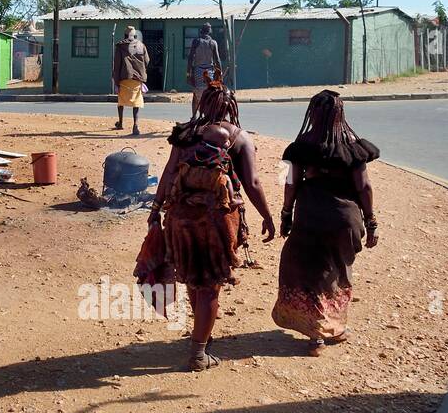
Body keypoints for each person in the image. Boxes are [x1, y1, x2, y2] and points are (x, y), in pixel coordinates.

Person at [148, 77, 275, 371]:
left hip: (180, 217)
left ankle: (201, 337)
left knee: (194, 278)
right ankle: (198, 353)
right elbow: (252, 183)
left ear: (201, 104)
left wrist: (155, 209)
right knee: (210, 287)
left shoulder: (184, 134)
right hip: (216, 222)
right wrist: (267, 216)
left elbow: (168, 174)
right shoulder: (239, 137)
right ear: (231, 106)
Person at [272, 91, 379, 356]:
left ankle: (316, 337)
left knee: (310, 273)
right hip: (345, 220)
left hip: (310, 217)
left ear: (313, 113)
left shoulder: (304, 144)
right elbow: (363, 187)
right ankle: (333, 328)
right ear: (340, 114)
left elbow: (292, 183)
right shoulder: (353, 146)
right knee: (336, 273)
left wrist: (286, 214)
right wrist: (371, 220)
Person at [112, 27, 150, 136]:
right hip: (137, 79)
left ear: (124, 36)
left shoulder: (120, 47)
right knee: (136, 102)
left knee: (121, 101)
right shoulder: (141, 46)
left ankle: (120, 123)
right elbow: (147, 61)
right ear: (134, 36)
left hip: (124, 78)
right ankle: (135, 126)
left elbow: (117, 64)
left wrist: (116, 80)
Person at [187, 23, 222, 115]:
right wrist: (220, 73)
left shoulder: (196, 41)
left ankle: (194, 118)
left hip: (198, 72)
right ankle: (208, 115)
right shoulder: (213, 43)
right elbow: (217, 60)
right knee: (209, 96)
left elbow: (190, 58)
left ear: (201, 31)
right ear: (210, 31)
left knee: (195, 97)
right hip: (209, 73)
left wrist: (188, 74)